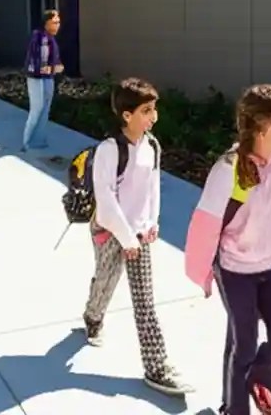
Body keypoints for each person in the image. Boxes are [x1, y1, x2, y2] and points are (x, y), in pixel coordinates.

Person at [183, 84, 271, 415]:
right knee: (243, 346)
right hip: (235, 272)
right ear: (266, 125)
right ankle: (235, 409)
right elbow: (205, 225)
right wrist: (201, 273)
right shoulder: (230, 169)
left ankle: (258, 383)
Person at [81, 77, 193, 397]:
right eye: (146, 110)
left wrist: (151, 222)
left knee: (144, 301)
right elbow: (106, 199)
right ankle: (93, 316)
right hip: (110, 230)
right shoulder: (109, 149)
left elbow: (153, 187)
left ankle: (156, 366)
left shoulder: (152, 145)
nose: (153, 116)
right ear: (126, 115)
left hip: (139, 234)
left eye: (153, 109)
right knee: (106, 279)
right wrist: (127, 237)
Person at [22, 9, 63, 151]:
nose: (57, 25)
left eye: (58, 22)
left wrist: (55, 68)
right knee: (37, 108)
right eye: (55, 22)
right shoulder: (40, 38)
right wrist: (52, 68)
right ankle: (28, 141)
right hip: (37, 78)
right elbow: (38, 61)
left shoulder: (50, 39)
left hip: (47, 78)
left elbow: (52, 60)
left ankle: (38, 140)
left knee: (45, 108)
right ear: (46, 23)